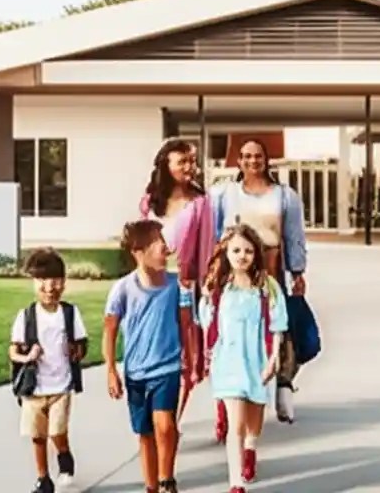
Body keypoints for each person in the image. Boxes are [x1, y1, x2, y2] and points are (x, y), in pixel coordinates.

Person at [210, 138, 309, 436]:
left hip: (270, 267)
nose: (253, 161)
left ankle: (282, 383)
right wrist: (213, 271)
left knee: (276, 332)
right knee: (230, 335)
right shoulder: (225, 195)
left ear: (267, 160)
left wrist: (298, 272)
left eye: (258, 156)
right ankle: (226, 408)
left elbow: (293, 236)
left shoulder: (284, 196)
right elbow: (216, 237)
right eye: (246, 156)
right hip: (233, 272)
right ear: (238, 161)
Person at [103, 219, 196, 493]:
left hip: (167, 367)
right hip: (135, 373)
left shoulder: (176, 286)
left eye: (164, 242)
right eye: (157, 244)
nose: (165, 249)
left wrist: (189, 362)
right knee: (145, 433)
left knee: (165, 425)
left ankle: (167, 479)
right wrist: (111, 370)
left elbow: (186, 325)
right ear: (138, 252)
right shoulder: (122, 289)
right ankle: (151, 485)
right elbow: (110, 331)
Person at [199, 224, 289, 492]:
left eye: (248, 251)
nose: (242, 256)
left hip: (257, 361)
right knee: (234, 424)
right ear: (226, 251)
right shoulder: (219, 288)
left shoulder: (266, 287)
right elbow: (207, 323)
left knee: (254, 421)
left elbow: (277, 325)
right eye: (236, 250)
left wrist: (274, 358)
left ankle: (250, 447)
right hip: (227, 362)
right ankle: (235, 483)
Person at [138, 138, 215, 426]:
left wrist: (206, 285)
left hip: (183, 287)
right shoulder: (149, 202)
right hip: (153, 287)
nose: (188, 167)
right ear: (165, 165)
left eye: (191, 161)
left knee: (185, 355)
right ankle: (158, 414)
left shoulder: (200, 203)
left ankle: (171, 422)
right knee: (156, 350)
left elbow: (206, 245)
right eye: (181, 161)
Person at [8, 248, 89, 493]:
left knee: (56, 431)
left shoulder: (69, 313)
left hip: (61, 386)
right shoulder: (26, 316)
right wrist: (27, 356)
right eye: (42, 280)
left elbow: (82, 346)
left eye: (54, 280)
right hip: (34, 388)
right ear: (34, 283)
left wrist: (76, 351)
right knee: (37, 435)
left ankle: (64, 453)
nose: (48, 286)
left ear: (63, 283)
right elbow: (12, 351)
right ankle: (43, 479)